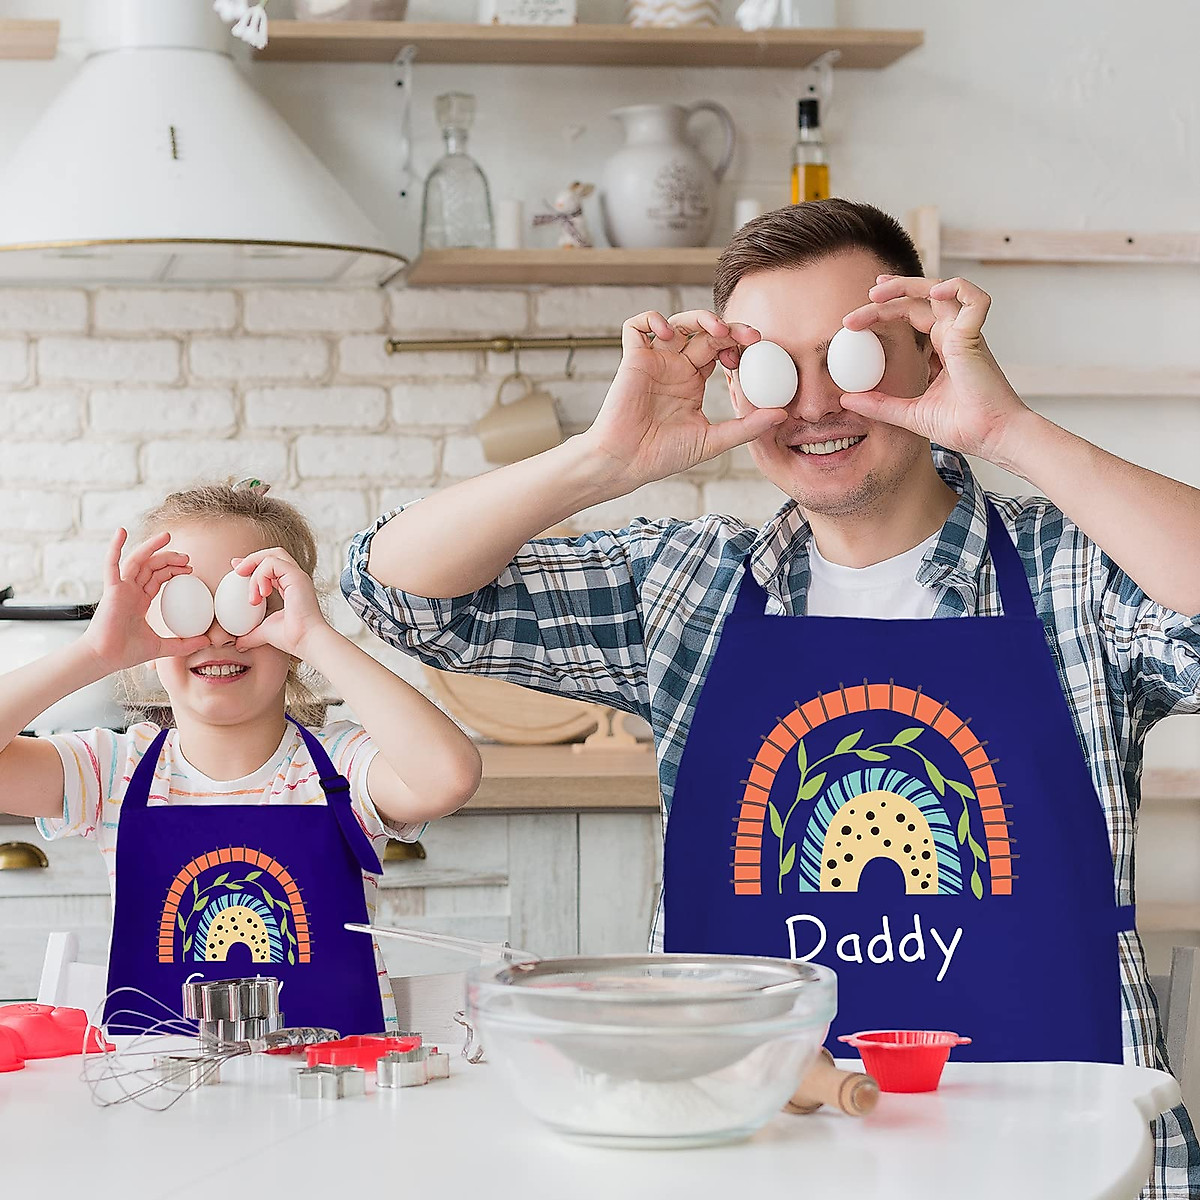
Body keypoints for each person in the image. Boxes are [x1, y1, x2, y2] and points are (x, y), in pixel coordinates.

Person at [341, 199, 1198, 1196]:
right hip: (756, 1153)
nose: (817, 404)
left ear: (925, 359)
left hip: (1058, 1147)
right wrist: (605, 458)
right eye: (778, 368)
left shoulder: (1078, 577)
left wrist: (1006, 428)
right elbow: (398, 593)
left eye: (854, 357)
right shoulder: (684, 587)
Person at [0, 481, 481, 1035]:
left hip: (333, 1086)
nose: (217, 636)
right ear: (149, 636)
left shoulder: (341, 768)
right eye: (186, 607)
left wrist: (318, 636)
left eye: (246, 604)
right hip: (162, 1087)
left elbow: (450, 777)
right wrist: (95, 652)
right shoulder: (112, 770)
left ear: (290, 636)